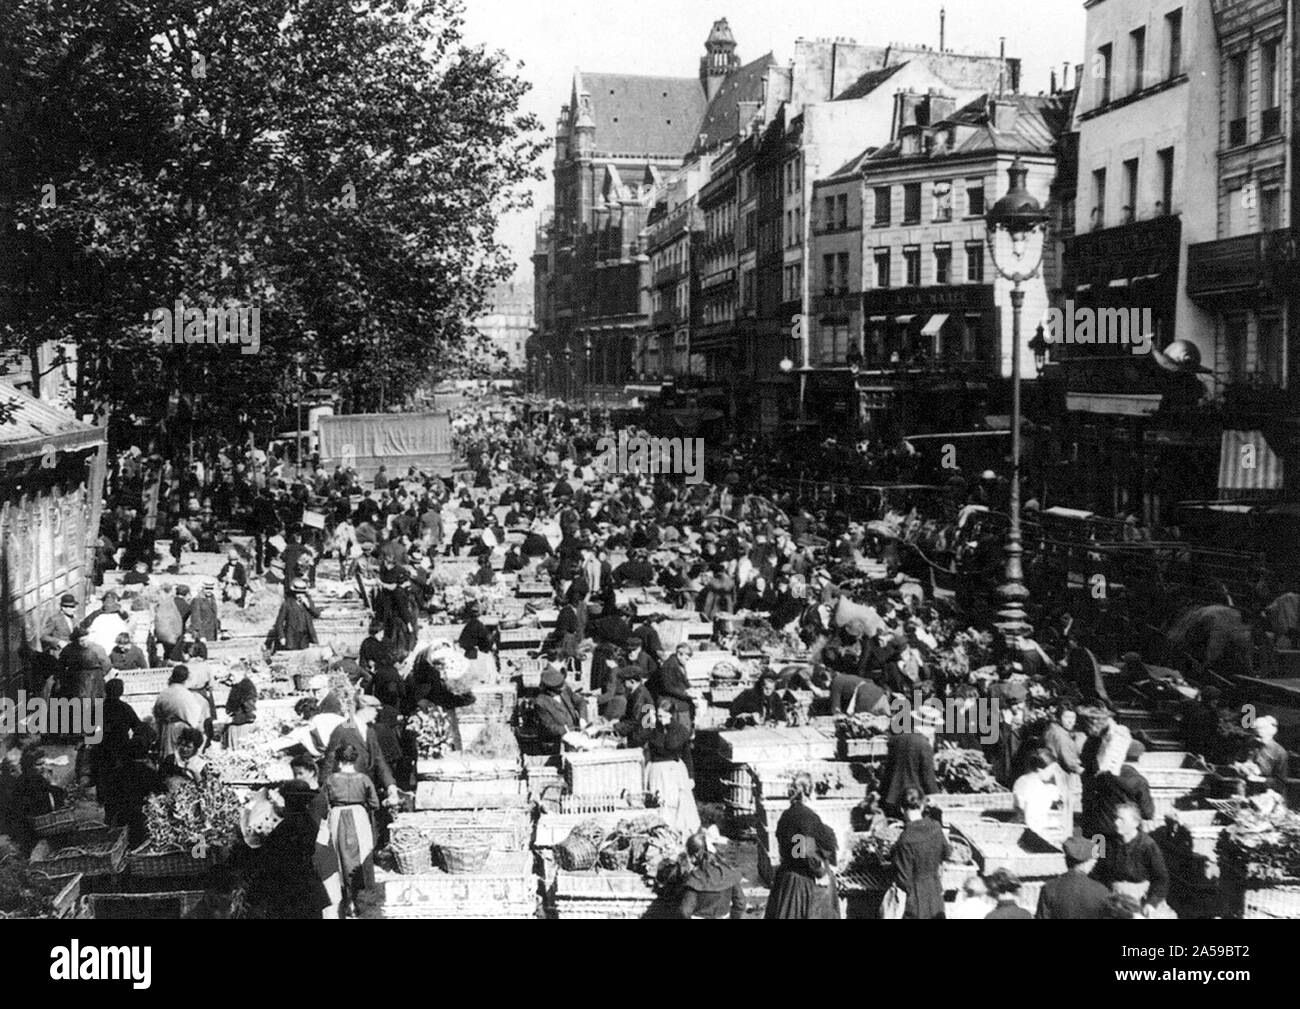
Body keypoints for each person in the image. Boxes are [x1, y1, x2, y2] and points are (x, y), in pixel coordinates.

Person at [765, 771, 840, 919]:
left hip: (786, 877)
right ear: (809, 792)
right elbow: (804, 852)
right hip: (803, 883)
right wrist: (821, 873)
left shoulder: (786, 815)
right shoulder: (806, 817)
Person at [324, 742, 380, 918]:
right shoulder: (364, 779)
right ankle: (360, 899)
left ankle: (346, 899)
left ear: (339, 762)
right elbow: (374, 804)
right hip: (359, 816)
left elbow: (323, 803)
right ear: (354, 761)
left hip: (337, 815)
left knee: (339, 857)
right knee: (362, 854)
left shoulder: (331, 780)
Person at [1093, 802, 1171, 916]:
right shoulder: (1107, 843)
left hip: (1139, 900)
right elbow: (1099, 872)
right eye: (1115, 818)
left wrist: (1151, 903)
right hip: (1113, 899)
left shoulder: (1148, 845)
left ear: (1135, 823)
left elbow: (1161, 879)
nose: (1116, 822)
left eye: (1121, 819)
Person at [891, 786, 950, 919]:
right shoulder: (936, 827)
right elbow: (947, 853)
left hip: (916, 898)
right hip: (935, 892)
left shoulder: (905, 839)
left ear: (901, 809)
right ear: (922, 806)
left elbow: (903, 879)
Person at [644, 704, 700, 836]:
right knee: (659, 801)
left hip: (673, 771)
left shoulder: (680, 730)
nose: (659, 718)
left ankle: (677, 831)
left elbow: (685, 753)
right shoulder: (654, 729)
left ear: (670, 715)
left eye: (662, 716)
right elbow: (649, 744)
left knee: (675, 802)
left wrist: (691, 776)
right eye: (658, 716)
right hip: (657, 769)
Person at [881, 705, 940, 818]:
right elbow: (928, 777)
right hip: (912, 798)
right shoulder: (924, 744)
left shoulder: (895, 740)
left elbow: (888, 770)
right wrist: (934, 797)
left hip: (891, 796)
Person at [675, 830, 747, 919]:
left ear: (696, 855)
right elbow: (741, 903)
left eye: (690, 855)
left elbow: (685, 911)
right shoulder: (729, 872)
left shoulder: (694, 879)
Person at [1036, 834, 1111, 919]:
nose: (1094, 863)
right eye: (1093, 860)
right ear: (1085, 863)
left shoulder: (1049, 888)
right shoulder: (1101, 891)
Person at [152, 665, 210, 758]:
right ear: (186, 679)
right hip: (181, 731)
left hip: (166, 729)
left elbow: (156, 714)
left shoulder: (164, 693)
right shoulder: (186, 695)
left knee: (167, 755)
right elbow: (194, 719)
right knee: (179, 755)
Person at [1012, 748, 1063, 840]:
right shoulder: (1044, 788)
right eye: (1052, 770)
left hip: (1019, 823)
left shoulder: (1020, 780)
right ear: (1040, 769)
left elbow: (1018, 805)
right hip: (1036, 830)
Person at [533, 666, 587, 748]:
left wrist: (582, 719)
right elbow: (549, 726)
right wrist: (566, 731)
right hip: (556, 742)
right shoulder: (540, 702)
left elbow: (580, 702)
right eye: (560, 687)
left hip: (576, 734)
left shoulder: (565, 690)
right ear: (551, 689)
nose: (564, 687)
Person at [266, 578, 320, 652]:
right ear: (293, 593)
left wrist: (308, 606)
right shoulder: (287, 604)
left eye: (302, 593)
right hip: (291, 637)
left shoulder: (308, 602)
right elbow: (279, 623)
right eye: (297, 593)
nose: (300, 595)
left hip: (304, 638)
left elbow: (317, 614)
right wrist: (282, 637)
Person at [1244, 715, 1290, 797]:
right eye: (1255, 735)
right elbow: (1240, 761)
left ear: (1270, 734)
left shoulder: (1280, 753)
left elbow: (1280, 783)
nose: (1256, 739)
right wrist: (1245, 766)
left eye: (1259, 736)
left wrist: (1260, 779)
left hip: (1268, 796)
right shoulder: (1253, 744)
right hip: (1249, 791)